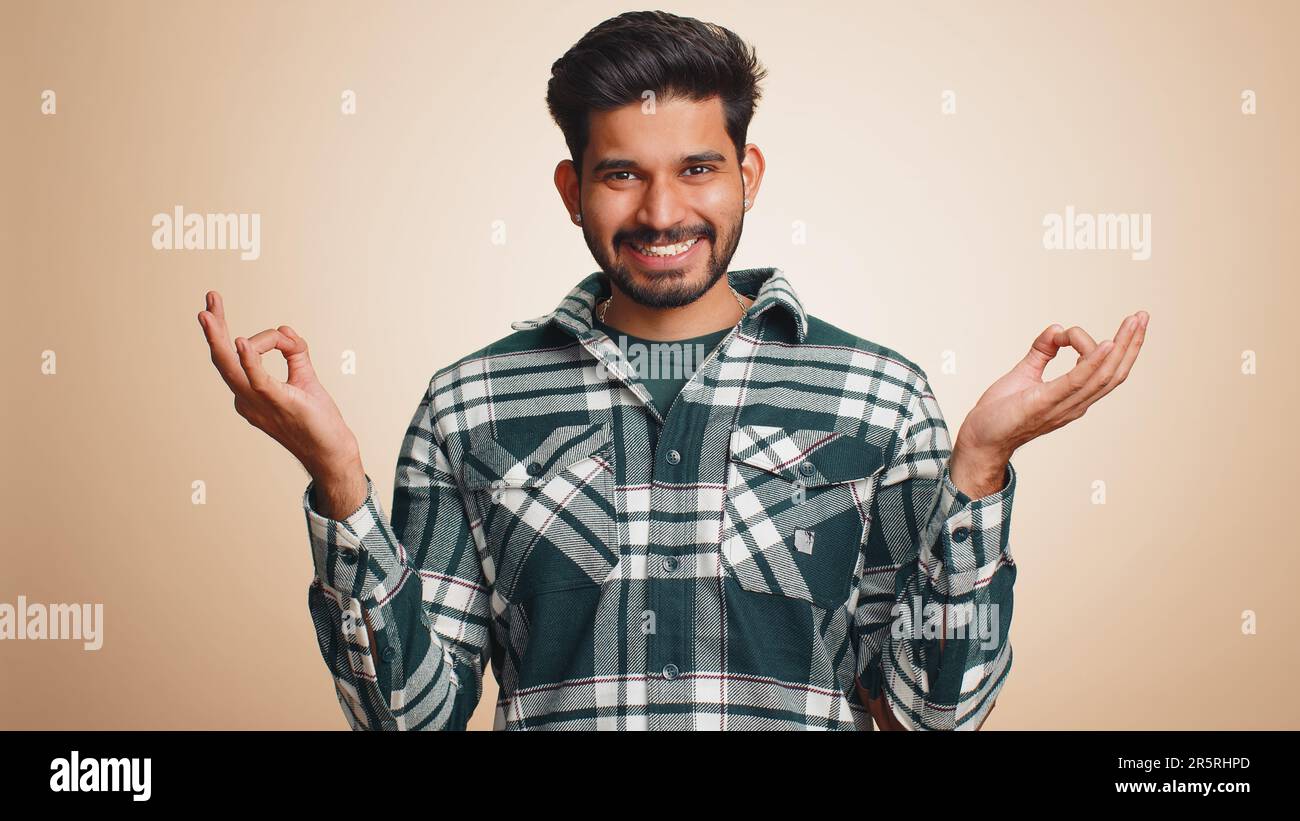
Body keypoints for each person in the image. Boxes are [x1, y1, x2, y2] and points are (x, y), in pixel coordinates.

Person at [197, 10, 1148, 730]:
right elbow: (412, 718)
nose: (662, 212)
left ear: (748, 174)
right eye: (622, 174)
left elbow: (931, 714)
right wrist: (339, 484)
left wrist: (979, 468)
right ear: (573, 190)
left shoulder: (881, 397)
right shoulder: (468, 403)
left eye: (697, 169)